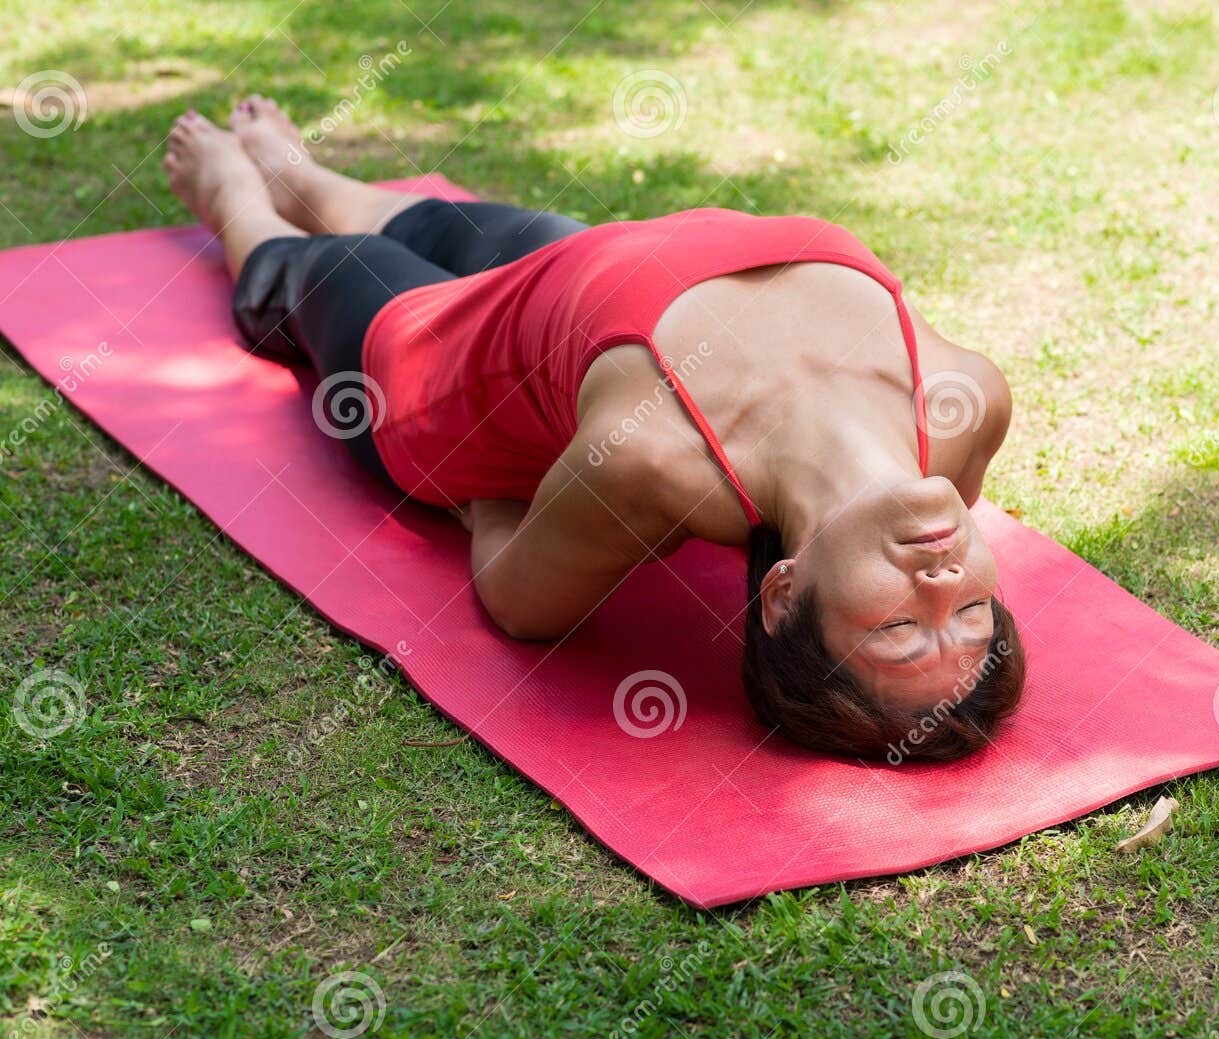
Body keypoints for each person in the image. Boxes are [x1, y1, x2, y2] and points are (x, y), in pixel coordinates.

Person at [162, 97, 1025, 760]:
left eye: (903, 629)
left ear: (785, 594)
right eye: (974, 612)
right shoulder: (967, 402)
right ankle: (306, 179)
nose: (943, 580)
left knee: (315, 268)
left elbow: (518, 601)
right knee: (432, 221)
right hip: (588, 271)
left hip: (443, 377)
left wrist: (499, 490)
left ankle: (243, 202)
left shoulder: (654, 461)